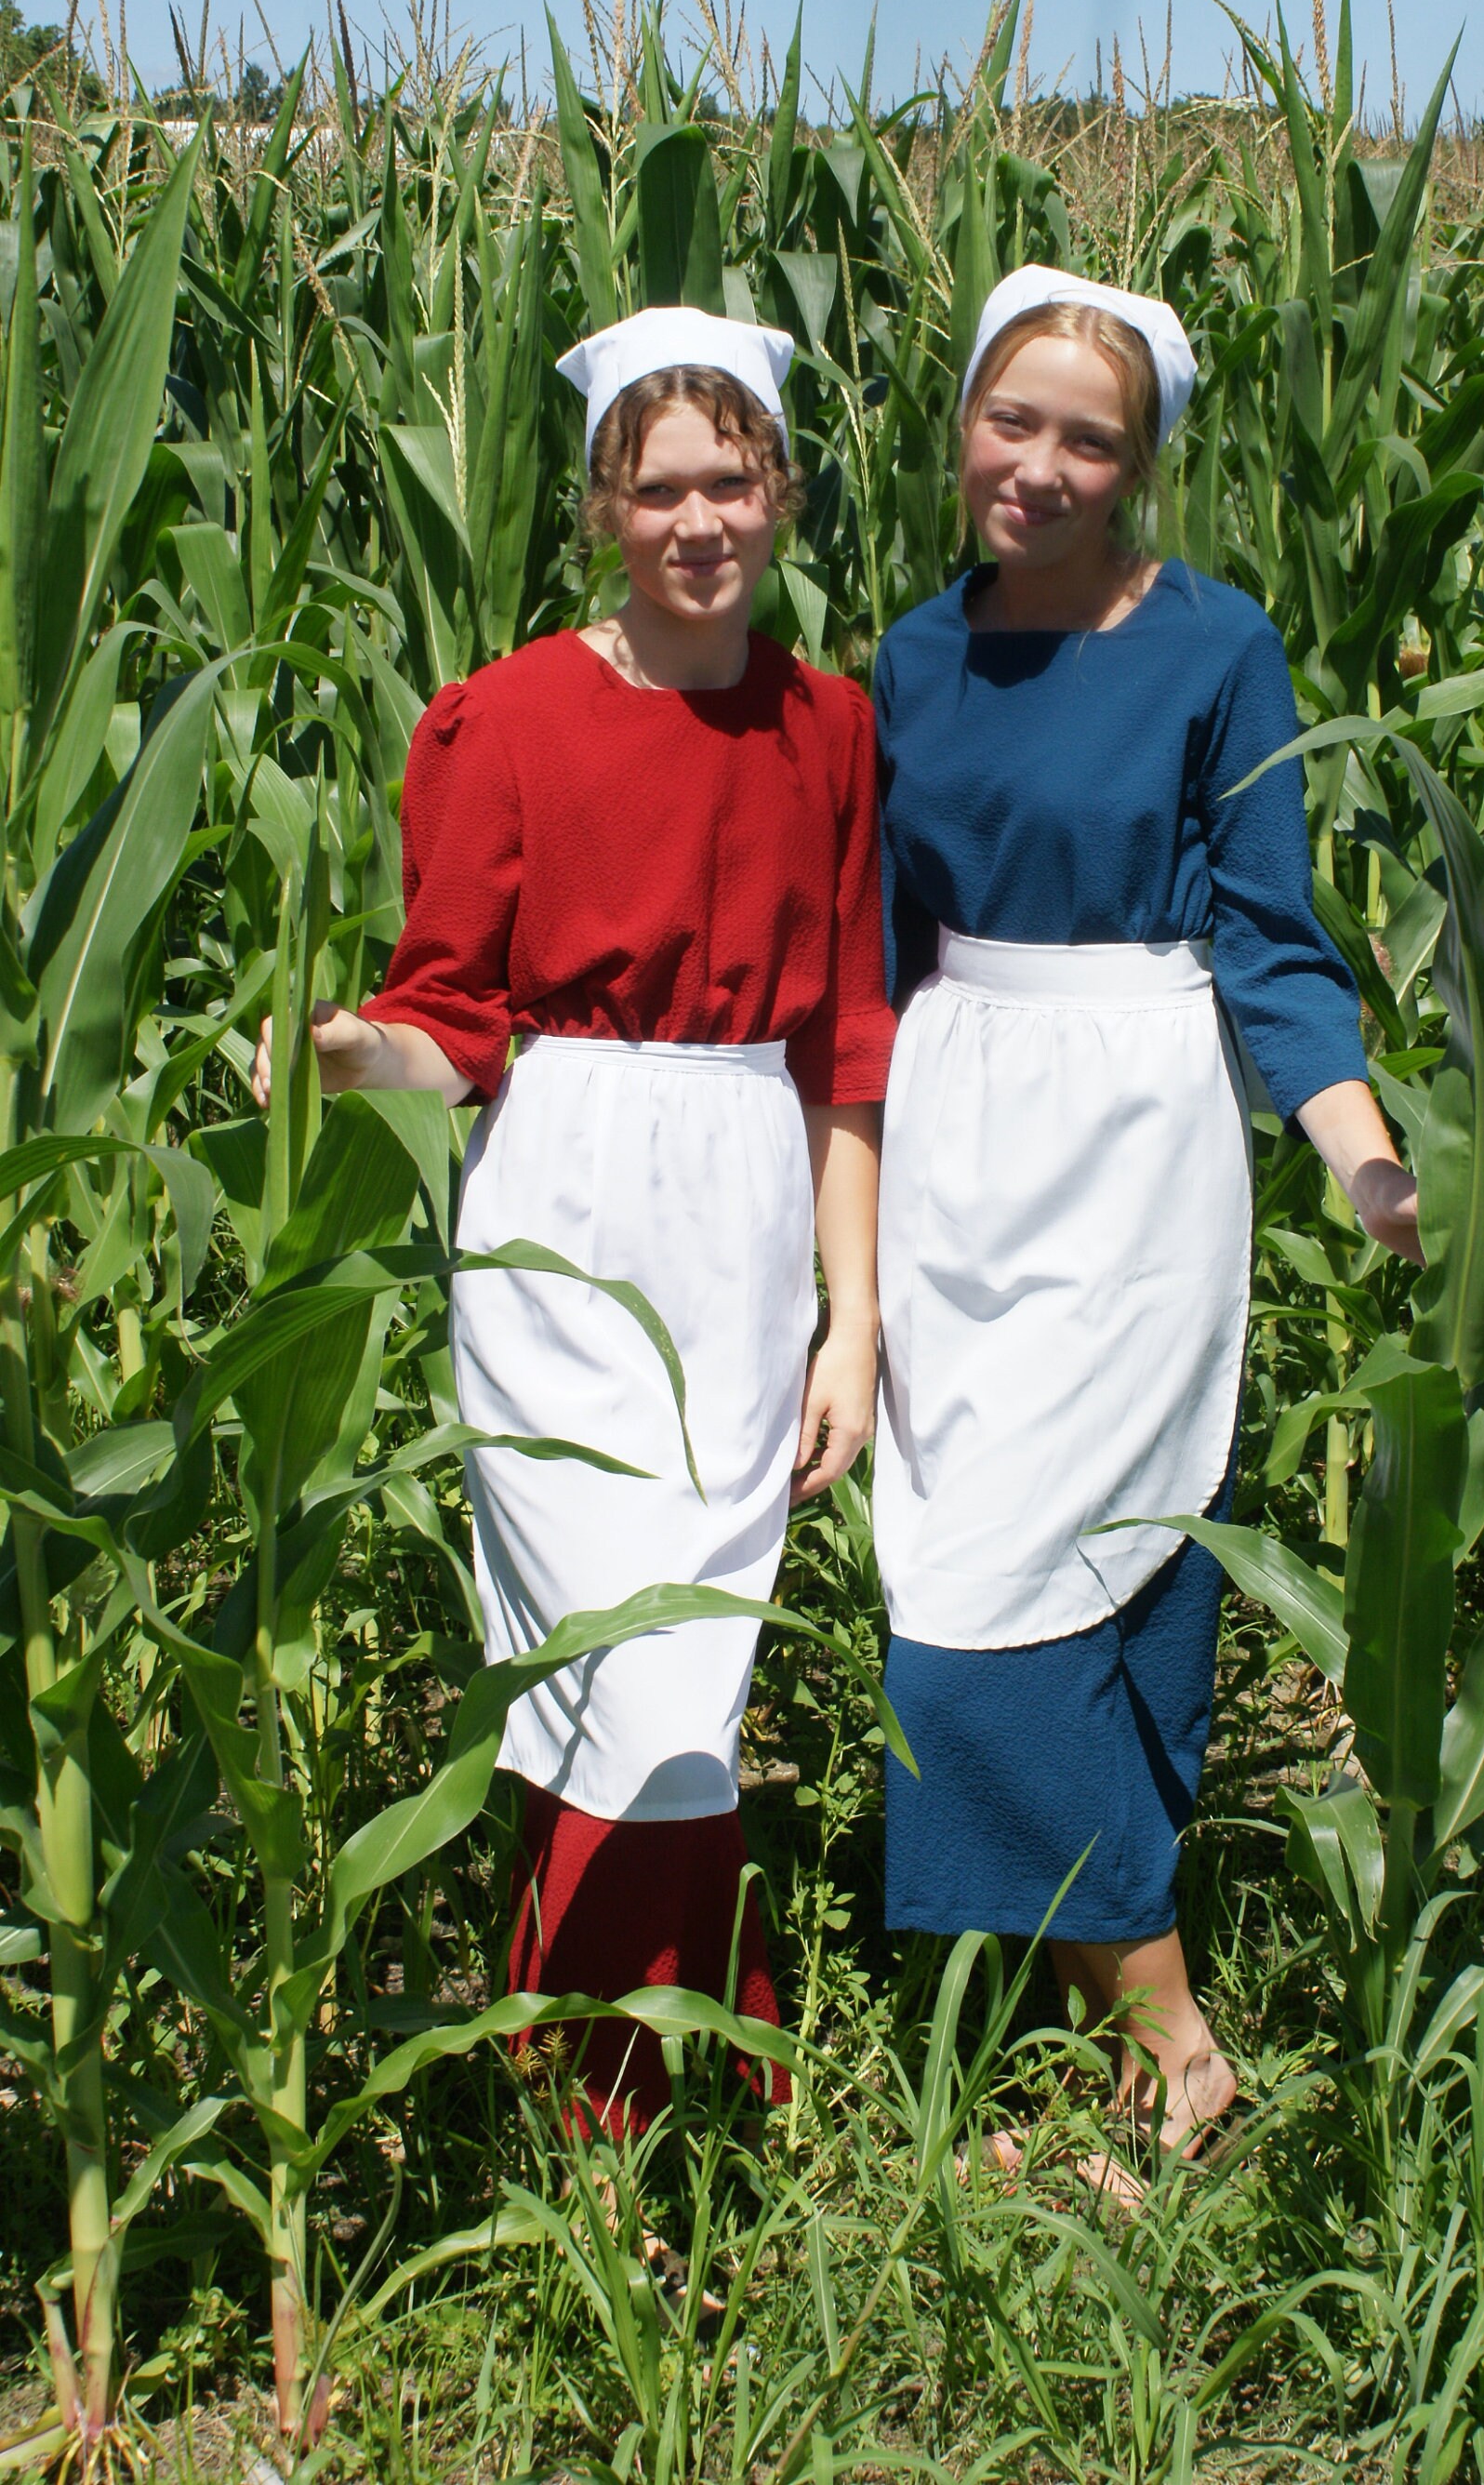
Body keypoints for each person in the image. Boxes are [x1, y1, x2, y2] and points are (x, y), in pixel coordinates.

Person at [255, 305, 893, 2138]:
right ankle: (632, 2090)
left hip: (747, 1203)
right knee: (595, 1652)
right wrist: (347, 1057)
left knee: (690, 1652)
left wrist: (847, 1325)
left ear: (779, 492)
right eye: (660, 486)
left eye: (733, 480)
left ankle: (631, 2062)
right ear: (606, 503)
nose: (701, 520)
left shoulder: (829, 729)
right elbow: (454, 1015)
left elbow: (846, 1043)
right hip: (558, 1206)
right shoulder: (506, 719)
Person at [873, 266, 1420, 2179]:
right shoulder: (904, 657)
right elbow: (864, 962)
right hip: (952, 1134)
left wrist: (1361, 1162)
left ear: (1139, 464)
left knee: (1048, 1586)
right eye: (1006, 419)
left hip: (1133, 1142)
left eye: (1083, 436)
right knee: (958, 1577)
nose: (1034, 464)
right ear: (961, 422)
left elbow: (1271, 940)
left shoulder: (1214, 648)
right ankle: (1117, 2035)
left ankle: (1167, 2045)